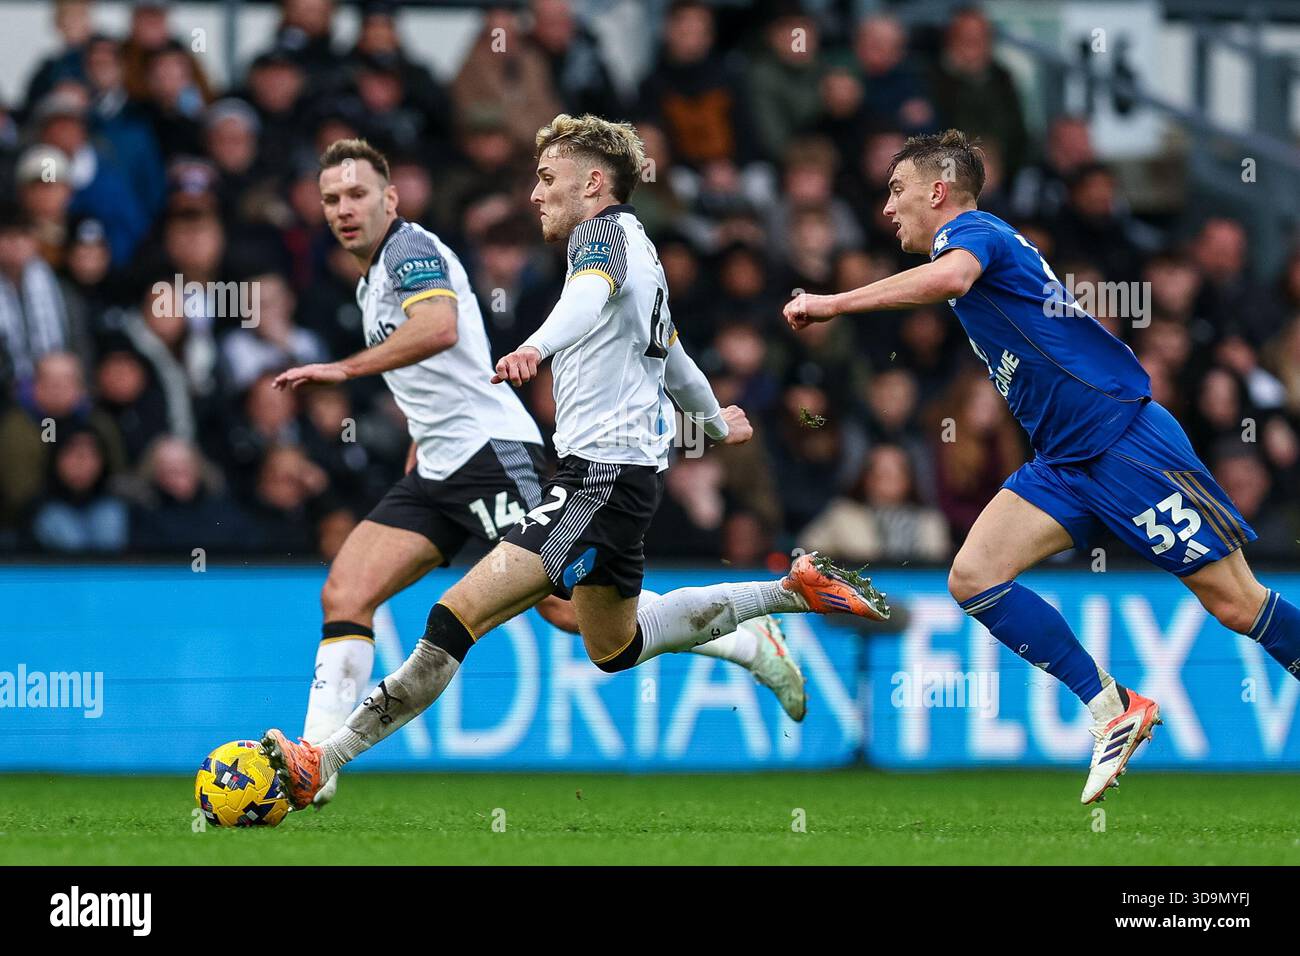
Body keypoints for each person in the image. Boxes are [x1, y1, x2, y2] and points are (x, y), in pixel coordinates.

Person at [263, 115, 891, 810]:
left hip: (591, 481)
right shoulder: (642, 251)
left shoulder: (597, 237)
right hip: (614, 483)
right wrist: (715, 420)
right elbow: (674, 356)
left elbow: (582, 301)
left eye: (547, 179)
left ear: (592, 183)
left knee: (453, 617)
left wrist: (536, 344)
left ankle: (321, 760)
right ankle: (784, 594)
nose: (535, 194)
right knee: (612, 647)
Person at [783, 129, 1300, 805]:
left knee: (1237, 603)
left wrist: (833, 303)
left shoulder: (970, 234)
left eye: (897, 190)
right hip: (1064, 459)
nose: (888, 208)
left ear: (938, 191)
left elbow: (951, 278)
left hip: (1121, 440)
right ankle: (1110, 706)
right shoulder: (982, 244)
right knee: (973, 577)